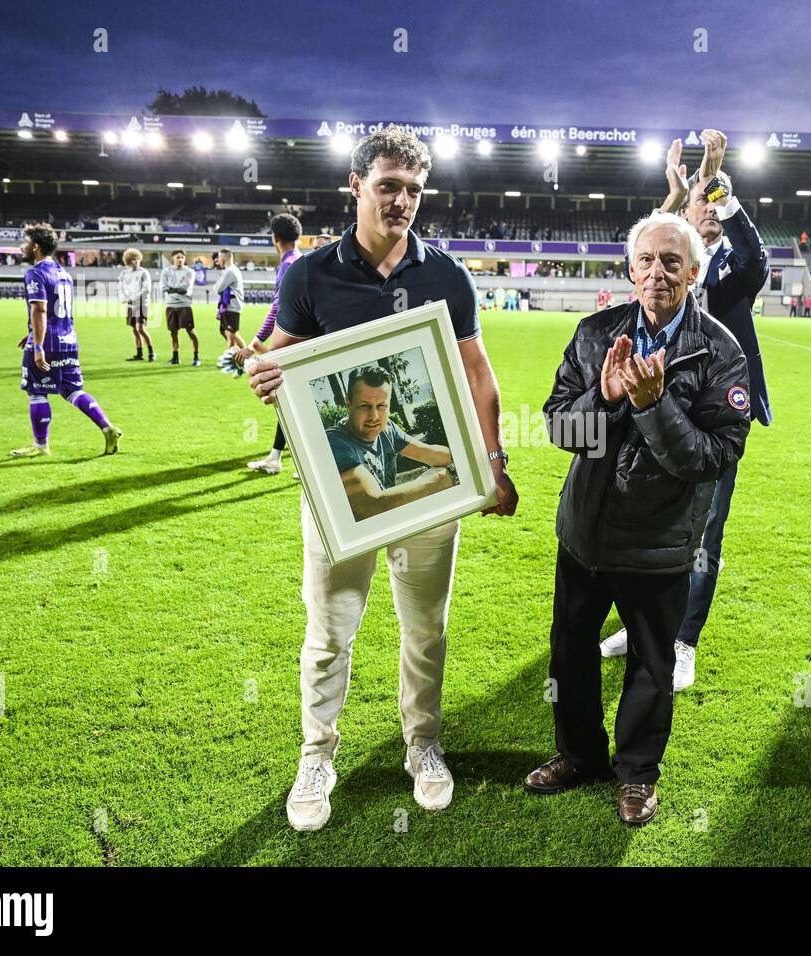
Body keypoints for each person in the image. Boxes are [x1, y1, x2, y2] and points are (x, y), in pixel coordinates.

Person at [245, 126, 519, 831]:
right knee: (330, 629)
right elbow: (281, 359)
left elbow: (476, 371)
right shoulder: (308, 274)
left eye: (414, 190)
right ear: (356, 186)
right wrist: (262, 371)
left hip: (433, 492)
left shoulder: (447, 275)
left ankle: (422, 743)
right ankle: (316, 753)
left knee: (427, 629)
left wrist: (492, 461)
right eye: (389, 185)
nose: (402, 201)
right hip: (339, 490)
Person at [525, 211, 750, 826]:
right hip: (585, 534)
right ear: (630, 269)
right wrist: (605, 398)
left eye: (672, 262)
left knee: (652, 666)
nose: (658, 273)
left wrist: (652, 407)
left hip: (660, 543)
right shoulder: (596, 332)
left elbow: (713, 458)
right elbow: (559, 427)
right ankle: (578, 756)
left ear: (695, 272)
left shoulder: (721, 353)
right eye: (646, 261)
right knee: (570, 653)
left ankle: (637, 776)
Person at [600, 130, 771, 693]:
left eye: (718, 201)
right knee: (646, 520)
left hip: (707, 416)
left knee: (703, 532)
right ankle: (639, 624)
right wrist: (677, 191)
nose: (711, 207)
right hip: (646, 410)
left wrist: (715, 183)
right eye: (705, 201)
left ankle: (684, 641)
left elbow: (754, 256)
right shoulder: (661, 262)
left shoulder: (728, 268)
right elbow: (646, 245)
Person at [10, 224, 122, 458]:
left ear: (36, 247)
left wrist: (38, 345)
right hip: (67, 340)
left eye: (25, 242)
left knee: (36, 392)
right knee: (73, 391)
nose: (22, 246)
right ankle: (107, 427)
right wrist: (30, 332)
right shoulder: (64, 273)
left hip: (46, 344)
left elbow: (40, 310)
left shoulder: (35, 273)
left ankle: (41, 446)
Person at [324, 366, 456, 520]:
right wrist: (448, 477)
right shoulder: (334, 442)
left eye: (381, 406)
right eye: (364, 406)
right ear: (348, 405)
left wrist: (465, 458)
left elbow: (431, 454)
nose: (374, 416)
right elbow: (373, 506)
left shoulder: (387, 429)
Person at [242, 214, 304, 475]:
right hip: (307, 337)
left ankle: (280, 459)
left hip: (294, 339)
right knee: (294, 400)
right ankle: (278, 457)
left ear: (274, 238)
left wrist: (255, 342)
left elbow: (278, 307)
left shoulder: (289, 264)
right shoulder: (301, 260)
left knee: (288, 399)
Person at [160, 250, 199, 366]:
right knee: (173, 332)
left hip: (184, 305)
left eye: (182, 257)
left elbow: (186, 288)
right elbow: (163, 287)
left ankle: (196, 357)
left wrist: (172, 289)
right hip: (171, 305)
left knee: (190, 331)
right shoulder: (166, 271)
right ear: (173, 258)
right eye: (178, 257)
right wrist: (176, 289)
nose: (180, 259)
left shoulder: (190, 272)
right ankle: (175, 357)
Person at [212, 249, 247, 368]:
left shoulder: (230, 272)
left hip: (233, 306)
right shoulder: (229, 270)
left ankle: (231, 358)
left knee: (232, 333)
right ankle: (241, 355)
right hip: (229, 306)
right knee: (228, 332)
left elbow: (217, 288)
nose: (218, 261)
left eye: (219, 258)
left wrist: (216, 286)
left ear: (224, 258)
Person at [118, 248, 154, 362]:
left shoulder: (144, 272)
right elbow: (120, 287)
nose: (135, 261)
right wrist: (123, 298)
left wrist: (133, 298)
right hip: (130, 305)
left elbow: (146, 289)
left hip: (142, 305)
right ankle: (139, 353)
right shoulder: (124, 273)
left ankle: (151, 352)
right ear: (128, 262)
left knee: (141, 329)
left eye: (137, 259)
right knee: (134, 329)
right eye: (133, 260)